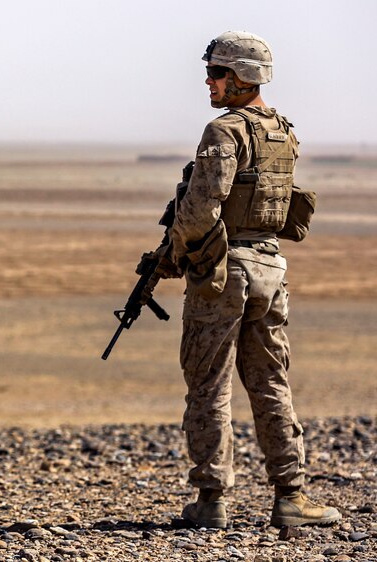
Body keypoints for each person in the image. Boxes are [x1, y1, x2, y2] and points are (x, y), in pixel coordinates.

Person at [157, 31, 340, 529]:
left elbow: (200, 210)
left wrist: (176, 253)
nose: (209, 82)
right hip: (269, 268)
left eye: (217, 73)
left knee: (209, 384)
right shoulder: (284, 131)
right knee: (270, 383)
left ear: (241, 78)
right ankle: (291, 497)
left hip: (225, 272)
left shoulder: (224, 132)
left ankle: (211, 499)